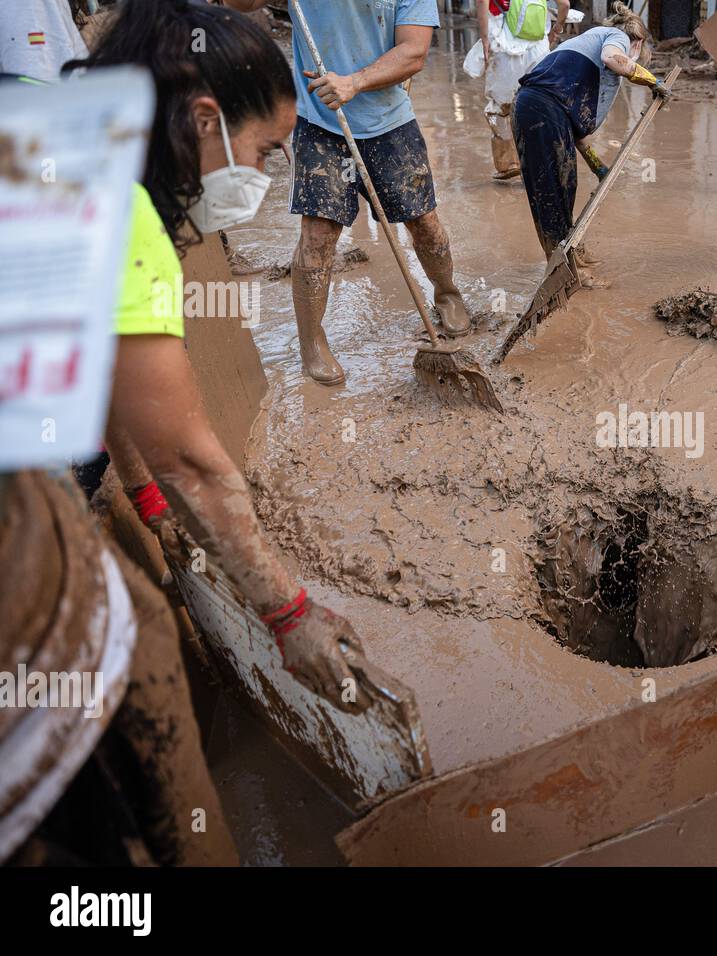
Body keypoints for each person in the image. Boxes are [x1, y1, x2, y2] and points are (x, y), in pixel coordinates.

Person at [74, 0, 374, 717]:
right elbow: (192, 461)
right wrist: (292, 617)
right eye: (268, 151)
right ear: (205, 120)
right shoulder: (122, 221)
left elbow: (102, 366)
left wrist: (146, 500)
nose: (268, 175)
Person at [226, 0, 475, 385]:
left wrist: (354, 82)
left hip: (389, 120)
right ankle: (311, 340)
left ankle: (446, 293)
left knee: (423, 220)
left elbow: (413, 52)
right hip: (319, 121)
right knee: (318, 234)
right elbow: (237, 5)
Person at [511, 2, 668, 284]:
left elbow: (577, 136)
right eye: (640, 58)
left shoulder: (587, 46)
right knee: (553, 193)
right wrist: (650, 79)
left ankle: (566, 258)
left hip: (537, 110)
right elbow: (613, 59)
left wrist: (599, 168)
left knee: (562, 188)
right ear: (639, 43)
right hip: (542, 110)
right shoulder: (617, 37)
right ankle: (562, 272)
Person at [472, 0, 569, 181]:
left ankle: (508, 164)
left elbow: (482, 3)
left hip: (504, 44)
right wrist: (556, 30)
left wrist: (485, 39)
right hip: (538, 46)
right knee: (538, 106)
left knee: (500, 108)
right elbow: (565, 5)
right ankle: (540, 168)